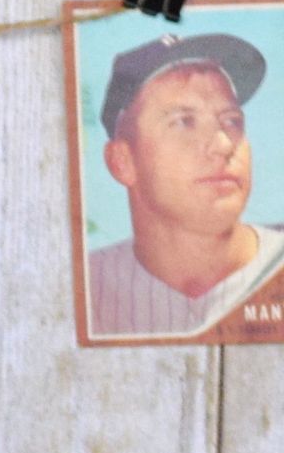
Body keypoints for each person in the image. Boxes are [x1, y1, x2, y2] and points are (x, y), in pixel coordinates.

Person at [85, 32, 284, 337]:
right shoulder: (85, 286)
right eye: (183, 122)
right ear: (122, 162)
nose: (222, 143)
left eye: (231, 121)